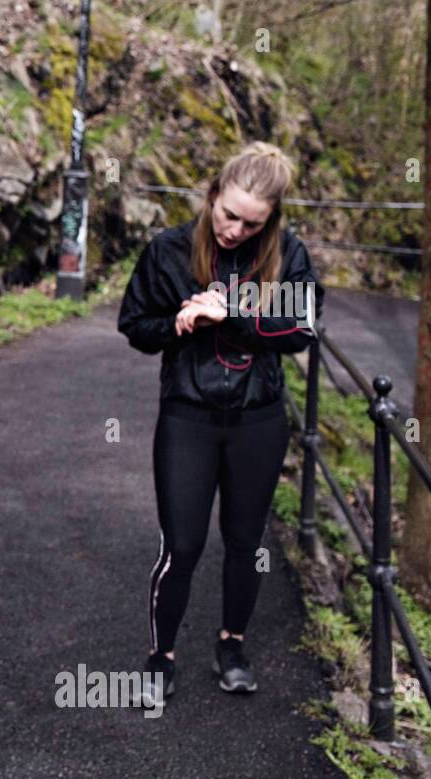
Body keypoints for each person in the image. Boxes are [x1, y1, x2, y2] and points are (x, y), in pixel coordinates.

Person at [117, 141, 323, 708]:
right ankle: (160, 658)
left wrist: (232, 312)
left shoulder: (288, 256)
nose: (234, 230)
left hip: (258, 419)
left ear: (270, 221)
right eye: (228, 214)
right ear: (212, 196)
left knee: (244, 542)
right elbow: (134, 324)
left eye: (252, 223)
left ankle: (232, 646)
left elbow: (303, 330)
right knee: (181, 546)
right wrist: (182, 323)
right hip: (188, 415)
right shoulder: (169, 251)